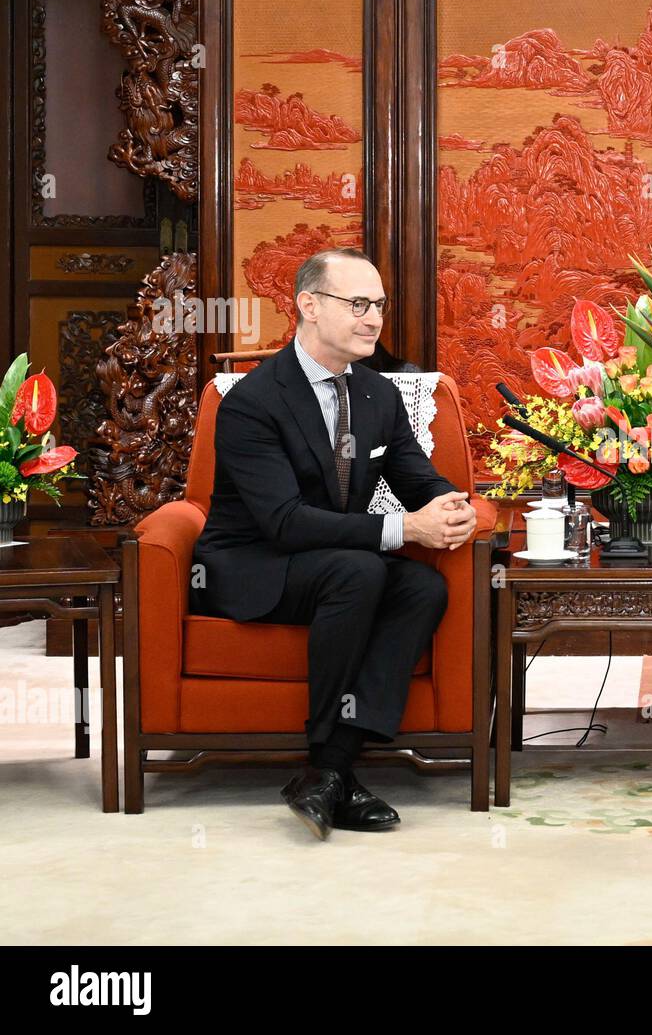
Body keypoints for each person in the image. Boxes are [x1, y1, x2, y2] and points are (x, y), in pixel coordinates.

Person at [189, 248, 478, 840]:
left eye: (379, 305)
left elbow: (414, 475)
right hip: (254, 565)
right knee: (361, 571)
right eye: (358, 304)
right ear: (309, 306)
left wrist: (451, 506)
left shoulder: (376, 395)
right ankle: (333, 770)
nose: (373, 318)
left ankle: (329, 769)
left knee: (421, 584)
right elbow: (285, 523)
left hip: (336, 563)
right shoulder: (250, 402)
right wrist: (406, 528)